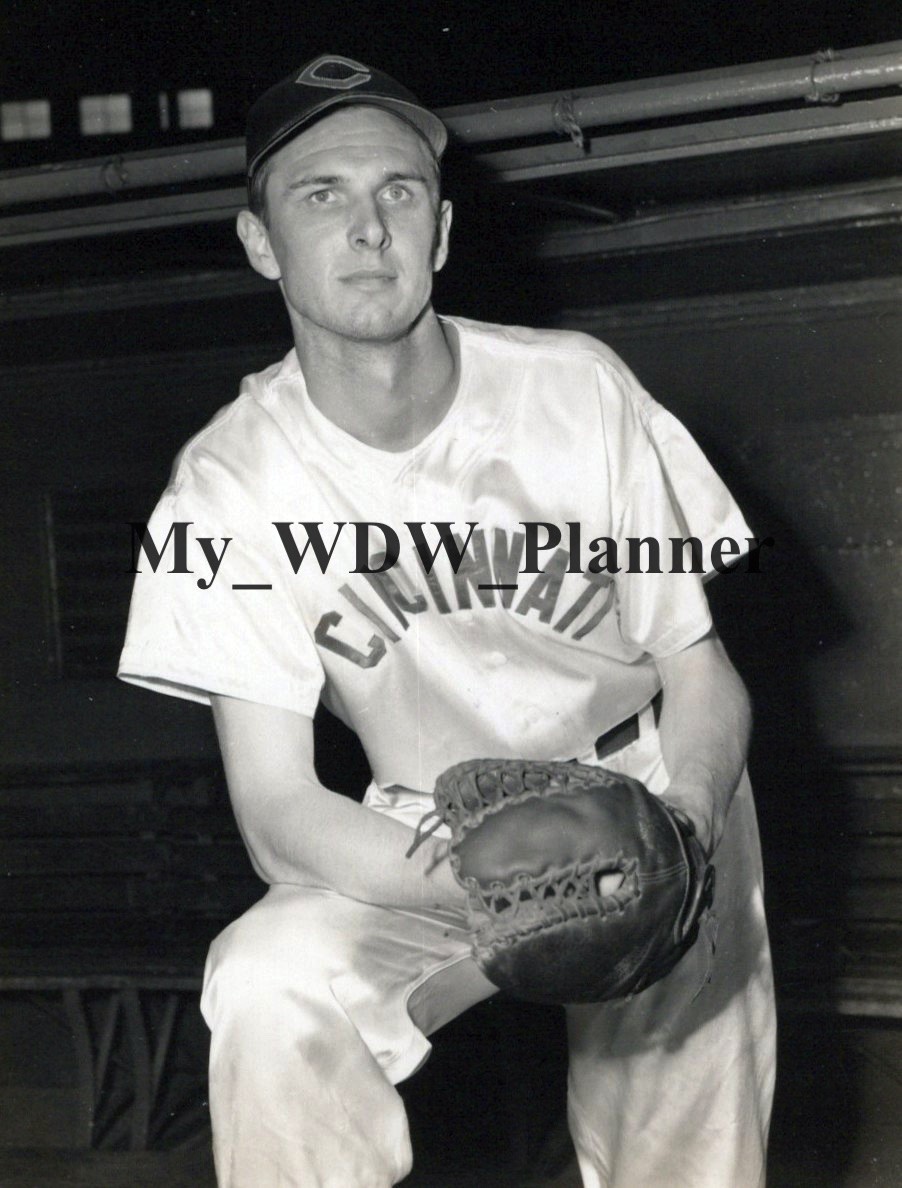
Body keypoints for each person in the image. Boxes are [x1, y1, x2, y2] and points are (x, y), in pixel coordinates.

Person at [119, 53, 775, 1187]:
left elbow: (699, 668)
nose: (366, 225)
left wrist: (683, 824)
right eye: (319, 194)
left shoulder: (578, 391)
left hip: (656, 793)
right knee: (270, 982)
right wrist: (510, 886)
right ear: (260, 243)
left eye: (398, 191)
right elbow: (277, 814)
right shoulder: (229, 485)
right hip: (430, 838)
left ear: (440, 228)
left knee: (683, 1165)